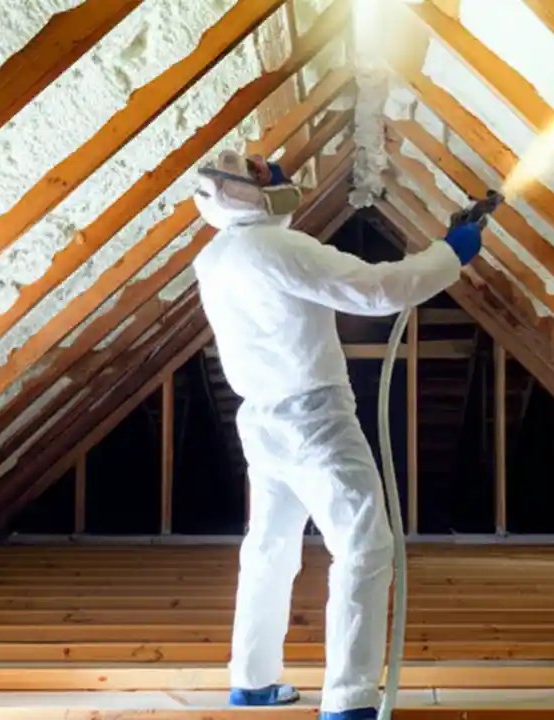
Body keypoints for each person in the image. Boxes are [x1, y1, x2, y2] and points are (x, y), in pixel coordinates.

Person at [192, 150, 482, 720]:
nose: (278, 173)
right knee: (366, 547)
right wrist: (452, 253)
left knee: (269, 547)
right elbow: (378, 292)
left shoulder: (215, 256)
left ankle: (252, 681)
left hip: (261, 419)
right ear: (244, 191)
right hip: (314, 419)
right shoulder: (277, 247)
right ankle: (349, 701)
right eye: (262, 170)